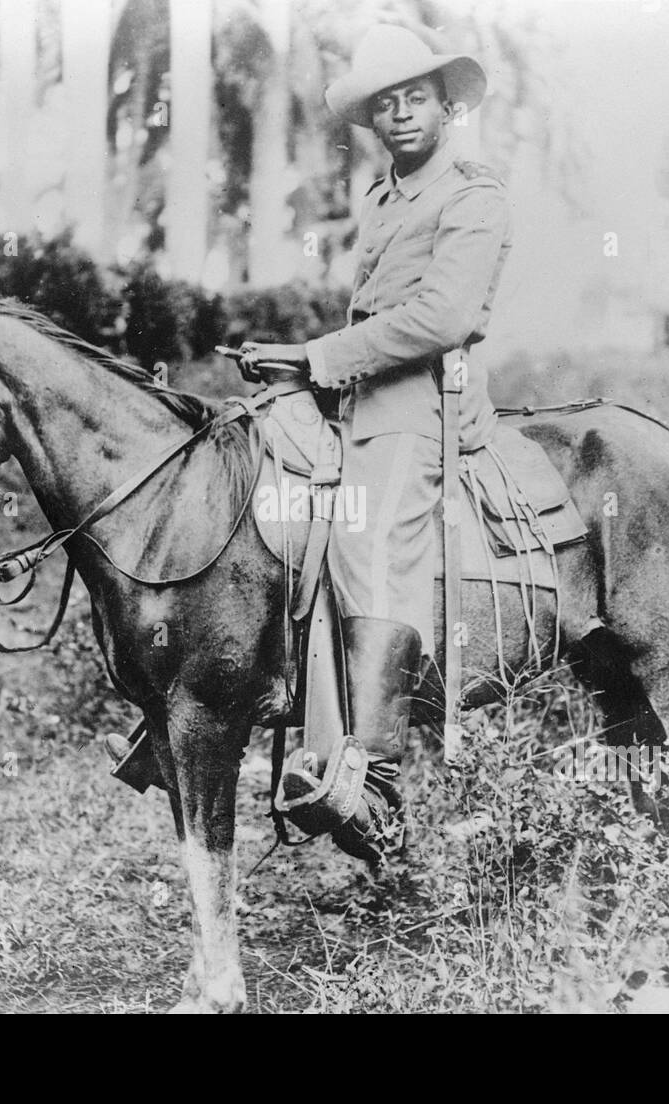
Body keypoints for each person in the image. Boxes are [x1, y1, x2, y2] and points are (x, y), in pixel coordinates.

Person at [240, 24, 512, 862]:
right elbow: (373, 315)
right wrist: (293, 366)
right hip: (358, 394)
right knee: (254, 483)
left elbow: (441, 318)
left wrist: (321, 354)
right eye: (385, 103)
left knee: (369, 534)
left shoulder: (472, 195)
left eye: (415, 98)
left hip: (419, 401)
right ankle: (211, 697)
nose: (399, 115)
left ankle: (379, 781)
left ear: (446, 105)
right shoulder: (383, 198)